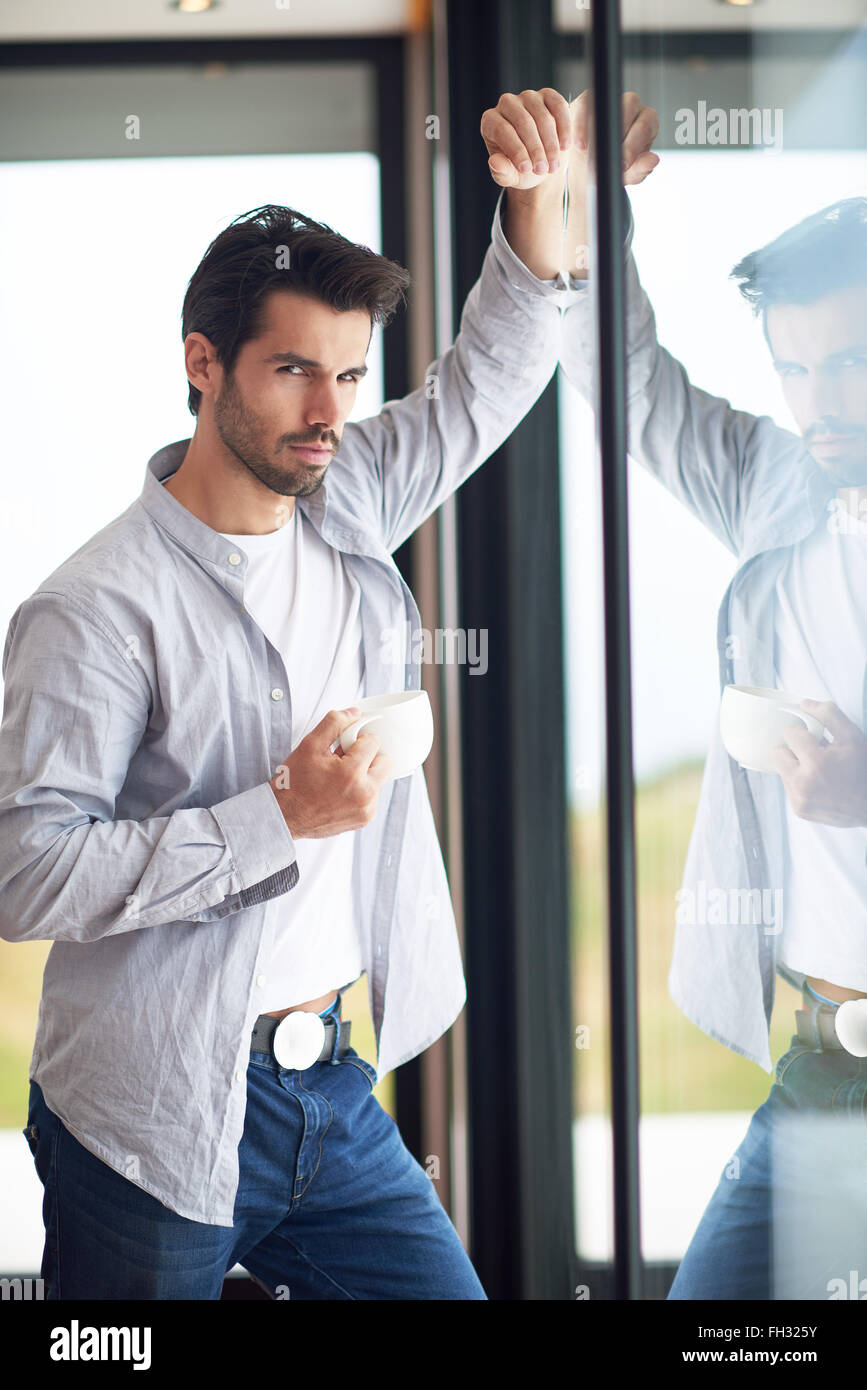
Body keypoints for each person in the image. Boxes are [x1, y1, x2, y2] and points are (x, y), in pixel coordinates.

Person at [0, 88, 589, 1301]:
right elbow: (28, 874)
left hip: (335, 1091)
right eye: (292, 374)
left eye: (351, 376)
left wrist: (533, 209)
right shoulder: (92, 609)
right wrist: (280, 814)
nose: (329, 414)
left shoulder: (349, 492)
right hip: (149, 1112)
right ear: (202, 364)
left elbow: (484, 386)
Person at [557, 90, 867, 1299]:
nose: (818, 402)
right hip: (824, 1059)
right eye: (793, 366)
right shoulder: (781, 484)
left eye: (846, 359)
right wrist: (586, 217)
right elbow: (629, 389)